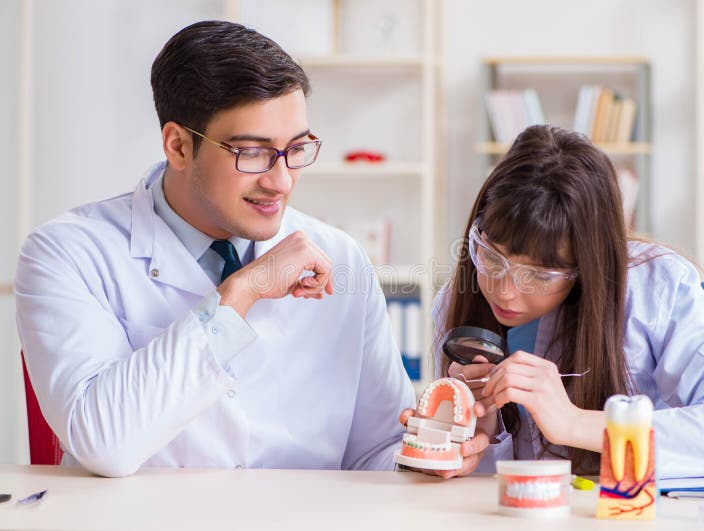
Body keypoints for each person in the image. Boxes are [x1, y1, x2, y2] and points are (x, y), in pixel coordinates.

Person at [15, 20, 415, 477]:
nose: (281, 182)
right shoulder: (67, 253)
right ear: (178, 146)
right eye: (252, 152)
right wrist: (244, 291)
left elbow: (377, 450)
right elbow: (104, 443)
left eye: (297, 149)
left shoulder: (340, 257)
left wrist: (438, 449)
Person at [407, 124, 704, 479]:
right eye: (491, 256)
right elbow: (497, 485)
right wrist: (475, 439)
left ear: (587, 268)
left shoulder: (655, 288)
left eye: (539, 275)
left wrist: (575, 423)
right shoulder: (457, 302)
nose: (503, 291)